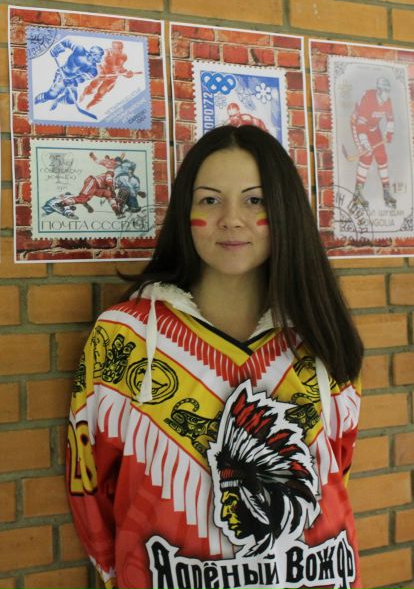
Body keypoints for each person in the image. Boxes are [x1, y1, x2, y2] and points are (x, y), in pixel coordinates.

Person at [66, 125, 364, 589]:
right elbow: (89, 482)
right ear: (185, 213)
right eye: (209, 200)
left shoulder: (322, 333)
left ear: (283, 209)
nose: (231, 219)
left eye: (254, 200)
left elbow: (338, 466)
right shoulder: (123, 336)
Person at [350, 76, 396, 208]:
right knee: (367, 156)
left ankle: (386, 191)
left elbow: (390, 119)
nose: (386, 93)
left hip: (374, 128)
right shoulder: (368, 99)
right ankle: (358, 193)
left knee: (382, 157)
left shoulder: (387, 101)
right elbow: (361, 124)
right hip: (358, 125)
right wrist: (365, 143)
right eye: (384, 90)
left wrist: (389, 133)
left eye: (388, 90)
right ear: (379, 90)